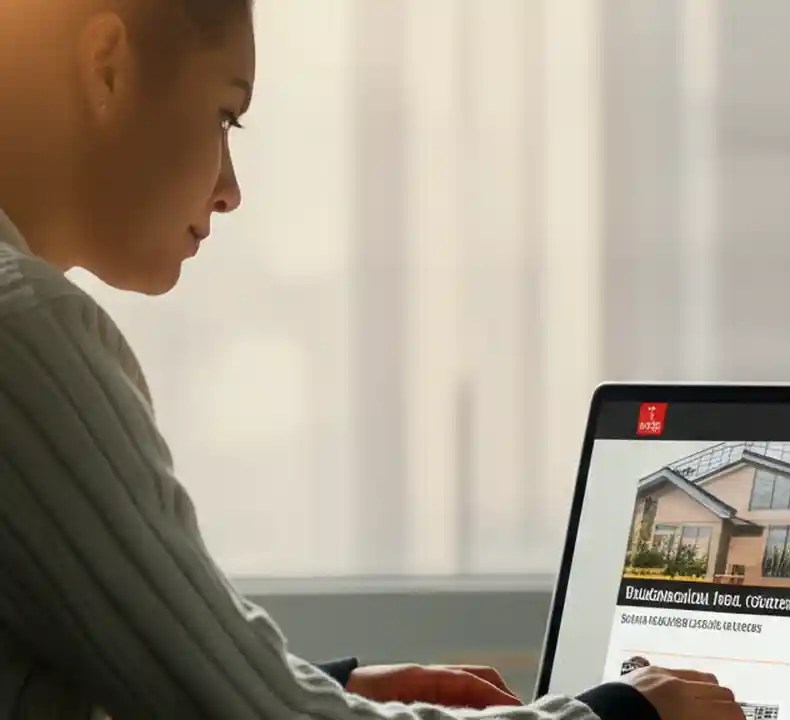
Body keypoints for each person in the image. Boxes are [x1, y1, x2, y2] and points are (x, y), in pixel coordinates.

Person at [0, 2, 745, 719]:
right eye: (225, 115)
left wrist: (338, 690)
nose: (230, 191)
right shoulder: (25, 333)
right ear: (106, 68)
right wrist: (621, 715)